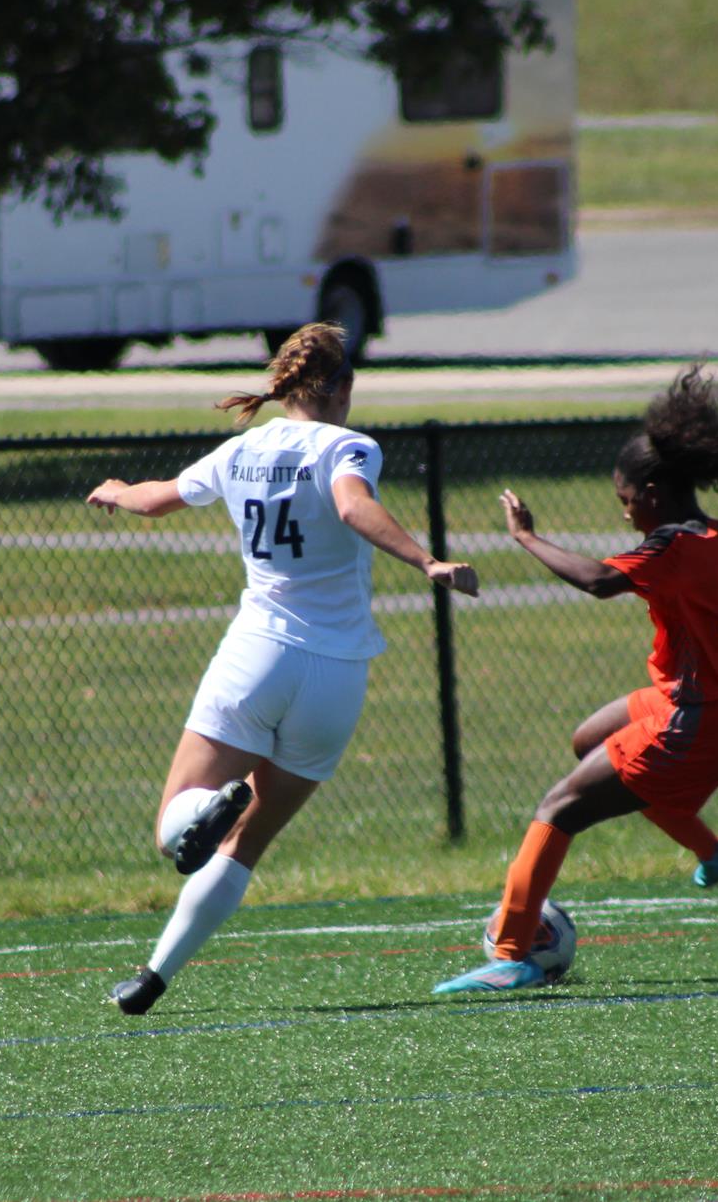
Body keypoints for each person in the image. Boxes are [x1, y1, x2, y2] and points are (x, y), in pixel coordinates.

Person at [86, 322, 479, 1015]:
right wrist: (427, 562)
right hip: (337, 677)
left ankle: (212, 805)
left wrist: (116, 490)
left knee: (174, 831)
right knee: (245, 846)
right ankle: (153, 975)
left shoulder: (243, 448)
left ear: (285, 386)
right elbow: (352, 504)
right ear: (344, 387)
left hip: (258, 658)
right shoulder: (348, 445)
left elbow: (155, 499)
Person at [434, 363, 718, 995]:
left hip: (696, 716)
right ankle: (716, 854)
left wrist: (525, 537)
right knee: (590, 742)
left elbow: (600, 581)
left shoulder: (672, 548)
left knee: (559, 807)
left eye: (626, 501)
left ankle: (512, 954)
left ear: (653, 492)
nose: (627, 514)